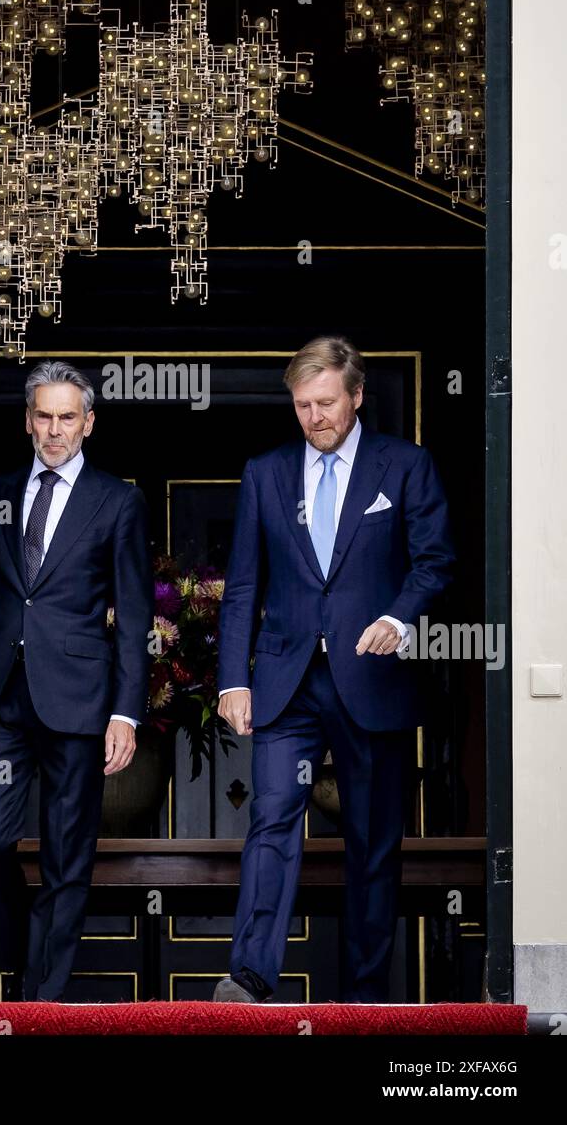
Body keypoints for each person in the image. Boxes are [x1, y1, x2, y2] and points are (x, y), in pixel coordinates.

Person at [213, 335, 455, 1005]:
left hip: (371, 679)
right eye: (301, 405)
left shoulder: (404, 466)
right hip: (286, 681)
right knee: (271, 822)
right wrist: (234, 679)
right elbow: (242, 588)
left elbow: (436, 561)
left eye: (325, 402)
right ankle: (252, 974)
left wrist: (400, 617)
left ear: (355, 396)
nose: (314, 416)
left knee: (373, 843)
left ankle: (367, 994)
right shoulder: (265, 472)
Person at [0, 359, 153, 1002]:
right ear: (27, 421)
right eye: (43, 416)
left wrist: (127, 711)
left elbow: (136, 614)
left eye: (67, 417)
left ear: (88, 422)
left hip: (80, 702)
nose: (54, 430)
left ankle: (42, 1000)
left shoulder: (118, 501)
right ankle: (27, 948)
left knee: (66, 855)